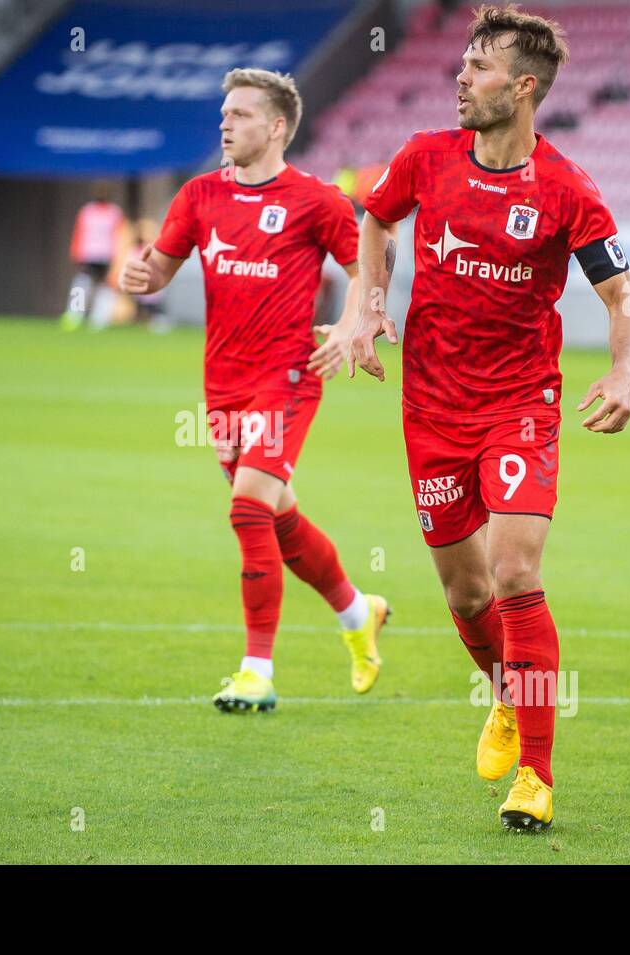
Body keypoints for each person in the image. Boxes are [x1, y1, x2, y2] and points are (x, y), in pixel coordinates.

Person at [316, 3, 630, 831]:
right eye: (462, 62)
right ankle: (506, 694)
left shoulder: (567, 189)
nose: (460, 76)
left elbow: (620, 292)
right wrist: (364, 305)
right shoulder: (426, 157)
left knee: (515, 573)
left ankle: (536, 773)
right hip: (429, 405)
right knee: (466, 598)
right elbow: (376, 217)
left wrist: (624, 369)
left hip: (519, 407)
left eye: (480, 67)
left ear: (524, 86)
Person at [120, 68, 390, 713]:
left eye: (240, 114)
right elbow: (160, 267)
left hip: (289, 376)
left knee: (247, 510)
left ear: (275, 128)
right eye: (224, 114)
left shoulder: (315, 200)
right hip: (222, 383)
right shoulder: (199, 195)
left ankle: (256, 672)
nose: (225, 123)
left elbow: (366, 269)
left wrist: (353, 324)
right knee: (277, 517)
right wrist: (142, 274)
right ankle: (358, 611)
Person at [62, 184, 124, 331]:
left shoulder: (114, 213)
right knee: (82, 283)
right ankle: (74, 315)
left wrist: (119, 256)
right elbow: (80, 231)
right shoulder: (87, 211)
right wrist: (75, 250)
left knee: (106, 287)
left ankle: (99, 319)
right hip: (89, 252)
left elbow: (120, 235)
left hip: (107, 254)